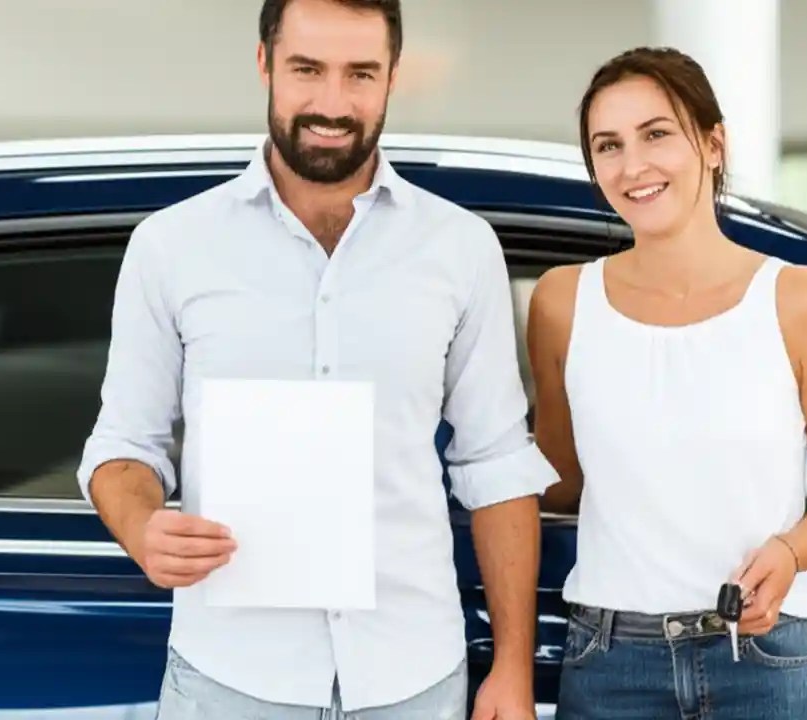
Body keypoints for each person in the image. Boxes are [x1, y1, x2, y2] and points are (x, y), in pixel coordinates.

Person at [77, 1, 557, 718]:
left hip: (413, 679)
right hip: (230, 680)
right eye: (307, 69)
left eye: (360, 73)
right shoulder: (171, 246)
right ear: (265, 63)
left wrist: (514, 665)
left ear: (392, 76)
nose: (333, 103)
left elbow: (496, 463)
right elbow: (122, 446)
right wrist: (142, 527)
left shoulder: (461, 248)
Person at [527, 47, 807, 719]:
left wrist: (789, 551)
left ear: (714, 145)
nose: (633, 166)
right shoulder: (563, 303)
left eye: (656, 134)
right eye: (608, 145)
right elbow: (559, 482)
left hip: (766, 658)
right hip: (611, 664)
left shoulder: (799, 300)